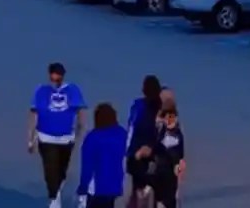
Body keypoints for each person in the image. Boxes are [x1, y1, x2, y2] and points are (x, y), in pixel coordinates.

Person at [29, 62, 86, 208]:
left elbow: (80, 111)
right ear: (50, 75)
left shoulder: (72, 90)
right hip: (46, 137)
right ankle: (54, 199)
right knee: (50, 169)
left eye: (59, 74)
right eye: (54, 74)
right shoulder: (41, 91)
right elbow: (34, 114)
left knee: (61, 169)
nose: (56, 78)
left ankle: (57, 192)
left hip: (66, 138)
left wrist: (81, 131)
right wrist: (31, 138)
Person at [78, 103, 128, 208]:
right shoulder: (122, 134)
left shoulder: (92, 137)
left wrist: (82, 188)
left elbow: (87, 167)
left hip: (97, 189)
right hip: (116, 187)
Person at [125, 75, 163, 208]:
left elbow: (132, 127)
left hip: (136, 154)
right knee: (152, 192)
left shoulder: (137, 106)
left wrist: (130, 153)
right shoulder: (161, 109)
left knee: (138, 190)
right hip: (154, 155)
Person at [150, 106, 185, 208]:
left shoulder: (178, 135)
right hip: (159, 172)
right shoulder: (159, 133)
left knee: (170, 199)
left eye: (172, 117)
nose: (170, 120)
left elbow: (180, 155)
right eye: (168, 117)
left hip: (170, 173)